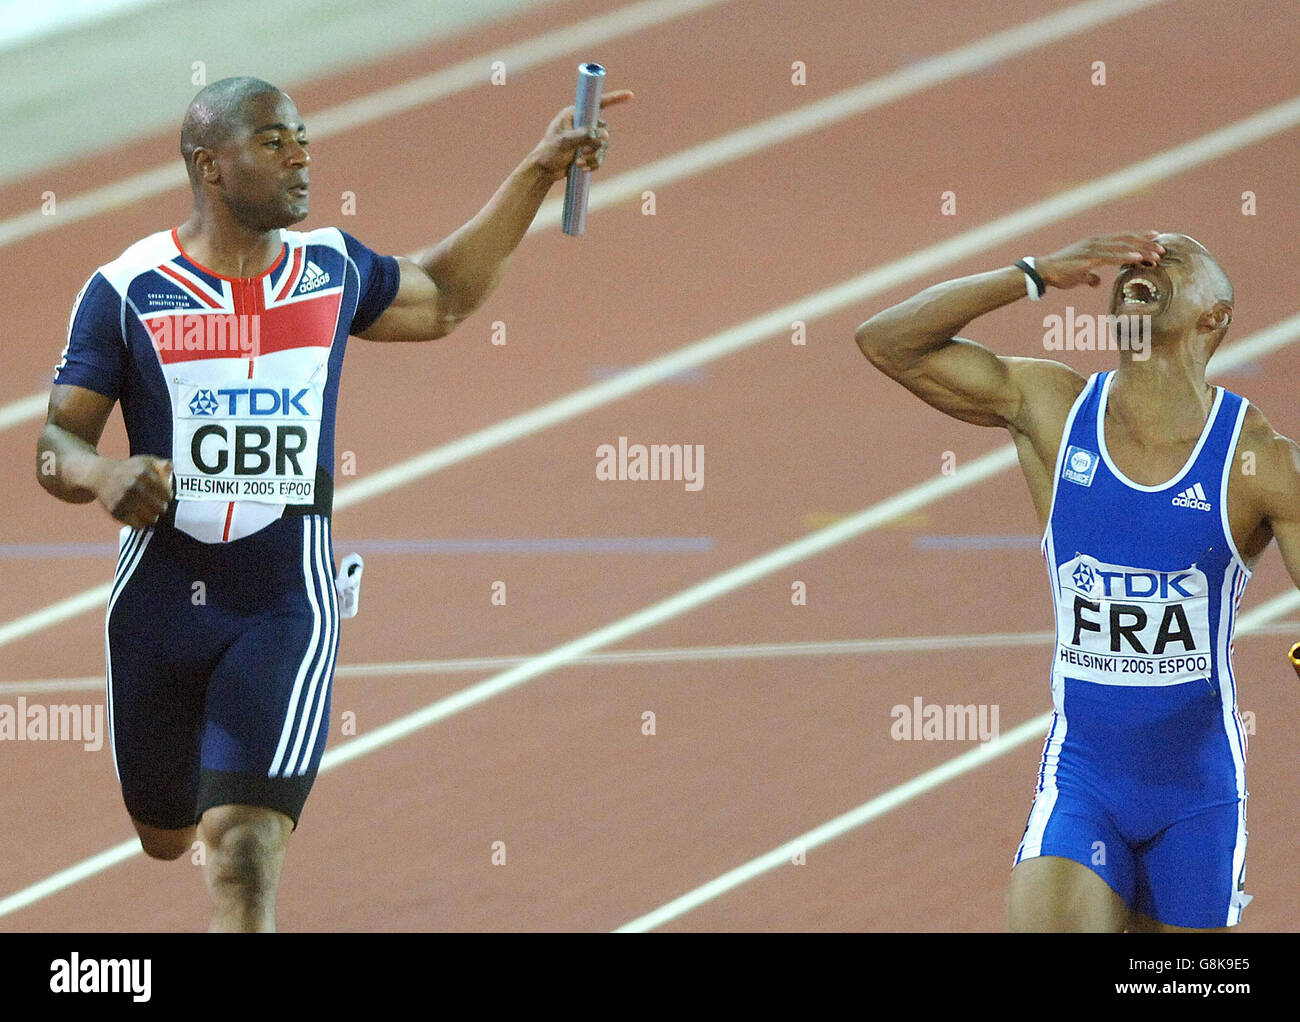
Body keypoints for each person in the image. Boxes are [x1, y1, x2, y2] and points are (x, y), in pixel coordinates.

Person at [35, 76, 632, 932]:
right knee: (166, 834)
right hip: (160, 601)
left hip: (286, 600)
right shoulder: (128, 290)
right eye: (273, 141)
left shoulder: (329, 269)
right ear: (210, 165)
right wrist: (102, 478)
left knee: (241, 852)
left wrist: (537, 172)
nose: (302, 155)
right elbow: (56, 445)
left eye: (303, 136)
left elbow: (446, 297)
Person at [854, 231, 1300, 931]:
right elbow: (887, 343)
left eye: (1171, 262)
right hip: (1084, 778)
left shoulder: (1261, 462)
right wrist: (1030, 274)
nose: (1143, 268)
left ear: (1214, 317)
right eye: (1134, 264)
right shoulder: (1054, 409)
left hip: (1199, 798)